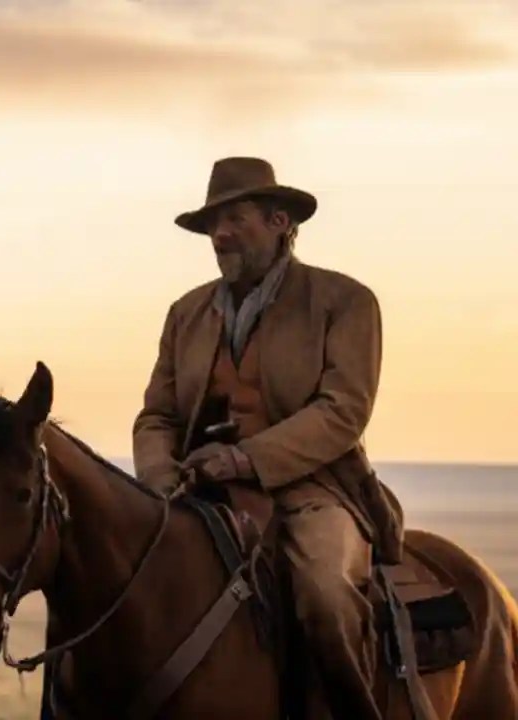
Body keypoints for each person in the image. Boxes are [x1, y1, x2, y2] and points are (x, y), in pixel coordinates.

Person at [132, 157, 404, 720]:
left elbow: (342, 412)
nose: (220, 235)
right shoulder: (186, 313)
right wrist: (158, 481)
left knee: (326, 596)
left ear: (281, 221)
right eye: (212, 225)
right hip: (196, 492)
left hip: (314, 491)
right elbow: (157, 416)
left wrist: (242, 459)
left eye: (235, 218)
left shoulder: (345, 302)